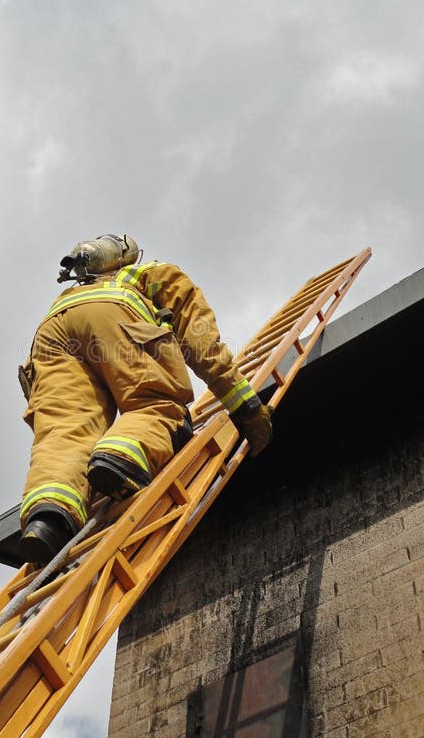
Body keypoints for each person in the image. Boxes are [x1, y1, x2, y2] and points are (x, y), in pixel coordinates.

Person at [18, 234, 272, 564]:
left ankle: (48, 516)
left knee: (65, 430)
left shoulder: (70, 293)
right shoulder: (150, 274)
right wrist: (247, 408)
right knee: (156, 403)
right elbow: (201, 343)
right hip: (113, 317)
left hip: (49, 336)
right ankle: (121, 460)